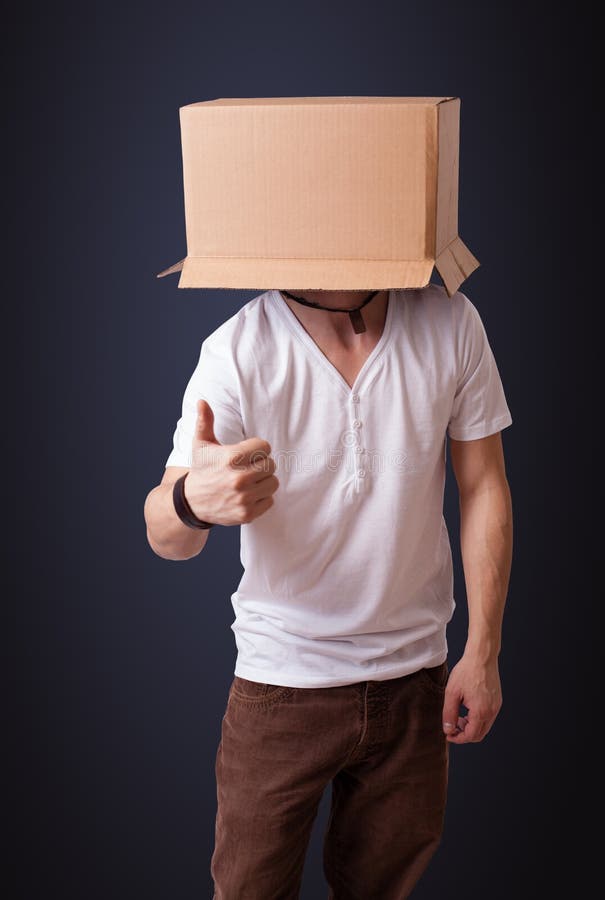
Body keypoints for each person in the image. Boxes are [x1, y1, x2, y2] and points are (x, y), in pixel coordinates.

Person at [144, 283, 513, 899]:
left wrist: (483, 651)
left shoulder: (451, 320)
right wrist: (191, 502)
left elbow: (484, 485)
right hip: (283, 684)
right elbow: (167, 535)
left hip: (414, 681)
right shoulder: (238, 348)